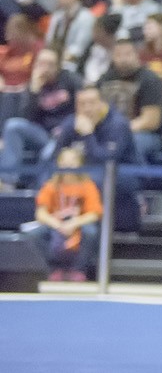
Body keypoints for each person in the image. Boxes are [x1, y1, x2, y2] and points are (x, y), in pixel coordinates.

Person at [0, 50, 81, 191]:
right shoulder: (33, 85)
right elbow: (25, 118)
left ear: (58, 66)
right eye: (41, 64)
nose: (45, 68)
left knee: (48, 152)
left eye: (50, 64)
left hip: (65, 135)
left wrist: (66, 128)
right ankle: (7, 182)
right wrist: (34, 91)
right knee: (13, 126)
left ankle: (41, 191)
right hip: (41, 134)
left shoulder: (70, 80)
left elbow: (82, 107)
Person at [30, 145, 101, 282]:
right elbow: (41, 214)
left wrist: (74, 223)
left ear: (80, 164)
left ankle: (78, 269)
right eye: (64, 161)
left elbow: (94, 213)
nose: (68, 165)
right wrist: (58, 225)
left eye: (72, 161)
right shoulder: (50, 185)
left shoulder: (88, 185)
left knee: (91, 232)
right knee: (33, 234)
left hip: (78, 225)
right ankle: (53, 268)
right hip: (55, 225)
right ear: (58, 164)